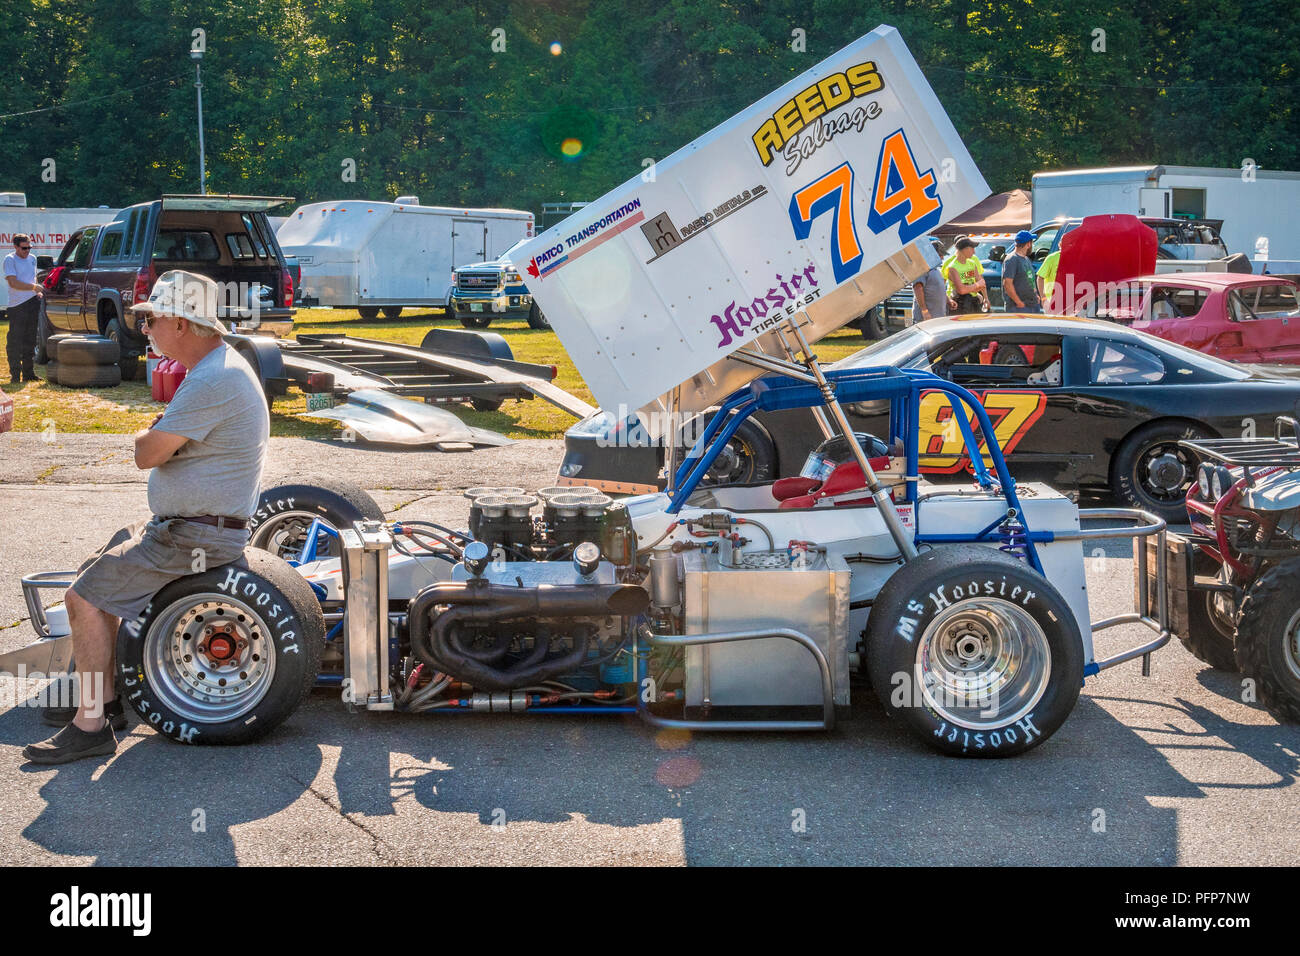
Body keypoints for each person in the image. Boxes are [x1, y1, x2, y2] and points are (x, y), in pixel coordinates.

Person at [23, 270, 270, 765]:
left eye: (151, 318)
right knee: (99, 565)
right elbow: (165, 446)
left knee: (82, 597)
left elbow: (147, 453)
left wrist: (151, 437)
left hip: (194, 533)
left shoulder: (213, 378)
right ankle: (106, 700)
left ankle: (91, 725)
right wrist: (161, 438)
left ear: (181, 322)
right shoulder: (218, 368)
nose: (145, 327)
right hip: (195, 526)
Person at [4, 234, 43, 383]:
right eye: (24, 248)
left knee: (30, 339)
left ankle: (28, 373)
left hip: (33, 302)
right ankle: (15, 375)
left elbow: (33, 278)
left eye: (29, 247)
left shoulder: (32, 258)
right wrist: (33, 287)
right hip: (17, 305)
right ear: (16, 247)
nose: (27, 251)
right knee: (15, 341)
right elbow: (13, 283)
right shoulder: (10, 259)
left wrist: (37, 291)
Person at [912, 239, 955, 324]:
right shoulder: (922, 268)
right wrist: (924, 311)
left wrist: (948, 300)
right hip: (926, 318)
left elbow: (938, 288)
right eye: (940, 255)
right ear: (932, 254)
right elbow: (918, 289)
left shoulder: (935, 269)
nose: (942, 257)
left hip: (937, 318)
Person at [1001, 230, 1041, 313]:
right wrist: (1018, 302)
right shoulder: (1011, 259)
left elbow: (1030, 279)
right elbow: (1007, 283)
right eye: (1031, 243)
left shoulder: (1026, 259)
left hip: (1032, 304)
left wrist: (1035, 294)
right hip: (1018, 307)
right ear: (1028, 244)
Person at [946, 237, 986, 314]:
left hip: (973, 301)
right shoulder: (953, 267)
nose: (974, 252)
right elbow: (961, 290)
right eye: (972, 249)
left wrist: (971, 288)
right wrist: (976, 285)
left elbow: (982, 284)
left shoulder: (972, 263)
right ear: (965, 249)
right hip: (959, 303)